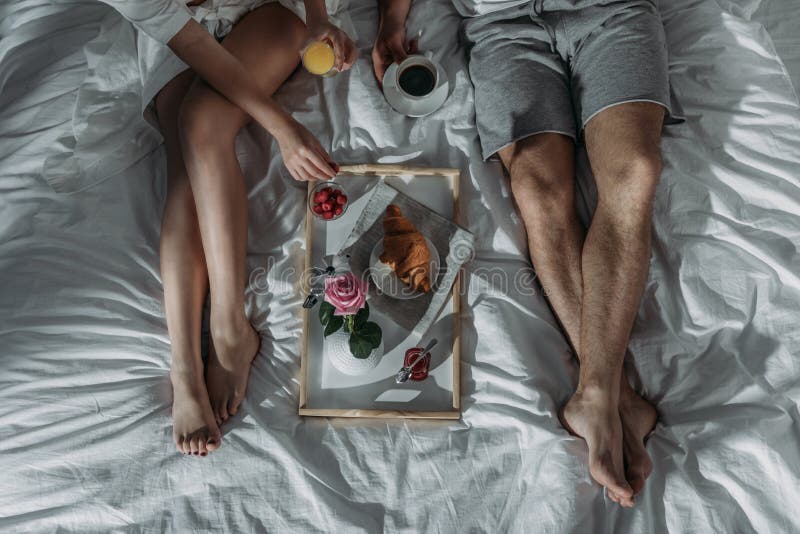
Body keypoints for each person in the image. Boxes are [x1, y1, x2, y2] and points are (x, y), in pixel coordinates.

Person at [372, 0, 679, 506]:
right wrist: (391, 22)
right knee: (537, 190)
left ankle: (597, 395)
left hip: (612, 12)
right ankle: (615, 397)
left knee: (636, 170)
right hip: (503, 25)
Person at [100, 0, 357, 456]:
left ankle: (228, 323)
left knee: (202, 122)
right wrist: (281, 128)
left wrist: (318, 18)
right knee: (185, 160)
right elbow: (192, 41)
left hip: (270, 6)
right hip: (176, 28)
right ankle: (184, 369)